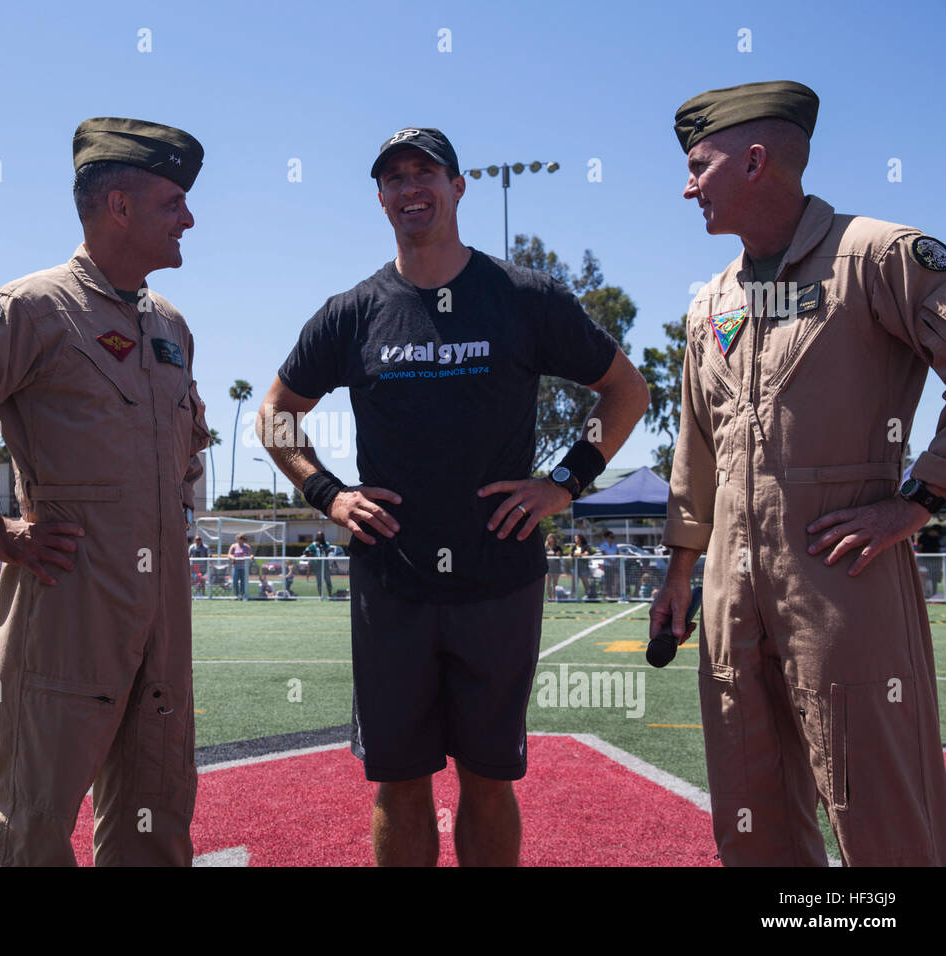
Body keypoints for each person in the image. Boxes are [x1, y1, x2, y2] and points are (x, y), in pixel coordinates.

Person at [256, 126, 649, 866]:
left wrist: (563, 482)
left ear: (459, 186)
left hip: (498, 577)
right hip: (391, 581)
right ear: (379, 198)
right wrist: (328, 493)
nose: (411, 189)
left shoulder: (524, 297)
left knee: (490, 780)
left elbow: (626, 390)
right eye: (394, 178)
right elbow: (276, 413)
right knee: (399, 783)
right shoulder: (353, 311)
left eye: (426, 173)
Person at [0, 117, 209, 866]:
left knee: (157, 815)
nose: (189, 219)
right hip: (69, 598)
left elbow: (185, 452)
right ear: (119, 207)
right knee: (37, 821)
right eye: (173, 202)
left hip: (163, 607)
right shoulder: (37, 307)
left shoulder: (169, 324)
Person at [651, 80, 946, 865]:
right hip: (728, 591)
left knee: (881, 812)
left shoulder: (878, 256)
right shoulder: (710, 302)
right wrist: (681, 570)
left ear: (755, 161)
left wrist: (918, 501)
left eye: (697, 166)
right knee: (752, 817)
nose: (686, 188)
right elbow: (696, 446)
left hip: (845, 573)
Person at [303, 530, 333, 599]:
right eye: (318, 536)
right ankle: (320, 597)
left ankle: (330, 595)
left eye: (321, 536)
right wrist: (310, 553)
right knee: (319, 582)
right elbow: (305, 552)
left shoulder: (326, 544)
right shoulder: (313, 545)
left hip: (325, 565)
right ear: (316, 537)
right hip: (317, 566)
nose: (320, 537)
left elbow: (329, 551)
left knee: (328, 580)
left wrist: (322, 547)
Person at [228, 533, 252, 600]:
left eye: (244, 539)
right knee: (235, 581)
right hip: (235, 567)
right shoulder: (233, 546)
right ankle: (236, 595)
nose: (243, 540)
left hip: (244, 567)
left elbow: (250, 554)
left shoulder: (247, 546)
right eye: (242, 539)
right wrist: (233, 557)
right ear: (238, 539)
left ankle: (242, 595)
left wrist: (251, 556)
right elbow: (229, 554)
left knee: (243, 581)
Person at [597, 529, 619, 598]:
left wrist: (614, 562)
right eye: (611, 537)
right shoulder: (603, 545)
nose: (612, 539)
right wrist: (611, 562)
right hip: (607, 565)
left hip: (615, 565)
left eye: (613, 537)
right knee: (608, 580)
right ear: (606, 538)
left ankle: (614, 593)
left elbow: (617, 554)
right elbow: (604, 555)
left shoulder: (615, 546)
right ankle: (608, 594)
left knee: (616, 577)